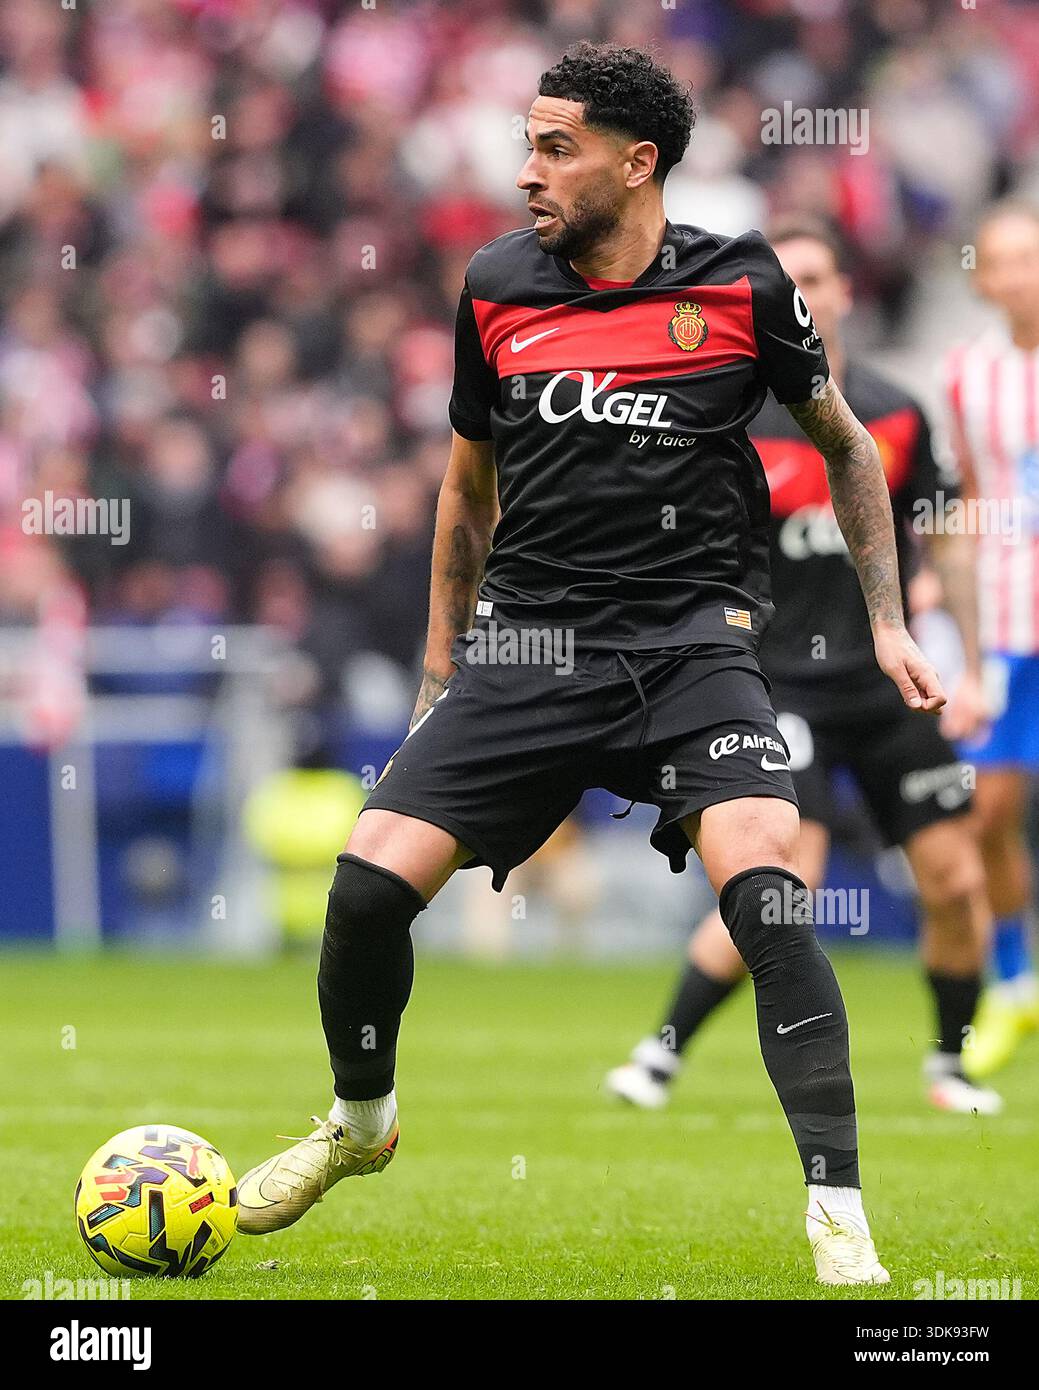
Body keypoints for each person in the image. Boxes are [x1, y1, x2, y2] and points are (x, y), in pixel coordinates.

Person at [235, 43, 948, 1285]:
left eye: (553, 147)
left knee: (767, 888)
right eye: (525, 143)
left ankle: (838, 1214)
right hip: (529, 643)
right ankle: (361, 1124)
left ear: (638, 160)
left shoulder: (740, 284)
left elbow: (846, 448)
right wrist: (434, 675)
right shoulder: (497, 283)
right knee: (363, 888)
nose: (526, 173)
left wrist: (887, 620)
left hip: (693, 642)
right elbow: (467, 489)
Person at [606, 219, 1001, 1120]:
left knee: (957, 880)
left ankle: (949, 1064)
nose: (806, 293)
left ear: (845, 291)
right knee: (789, 881)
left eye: (818, 276)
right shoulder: (731, 411)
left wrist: (970, 666)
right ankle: (660, 1052)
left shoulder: (894, 411)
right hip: (776, 682)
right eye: (788, 278)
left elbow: (942, 539)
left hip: (887, 677)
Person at [944, 201, 1039, 1077]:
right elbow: (970, 490)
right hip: (1012, 625)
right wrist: (949, 573)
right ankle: (1016, 983)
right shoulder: (970, 374)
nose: (1013, 275)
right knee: (987, 812)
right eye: (1000, 261)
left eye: (1027, 258)